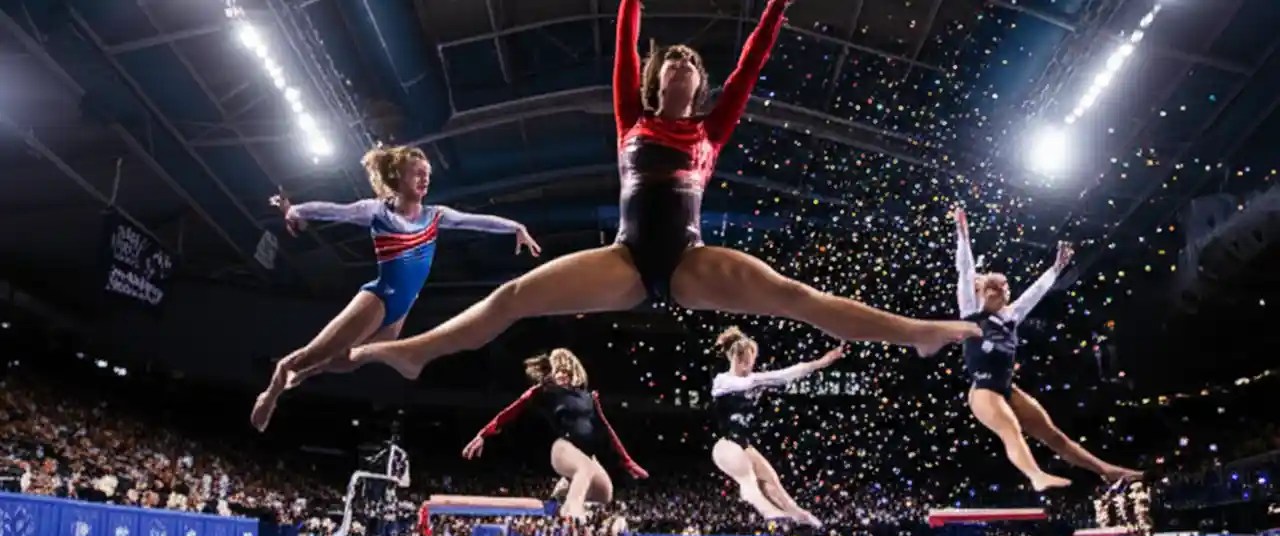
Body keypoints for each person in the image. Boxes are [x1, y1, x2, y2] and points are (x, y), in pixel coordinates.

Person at [339, 0, 978, 382]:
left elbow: (752, 60)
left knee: (794, 297)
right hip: (624, 258)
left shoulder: (710, 128)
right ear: (655, 76)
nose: (682, 63)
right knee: (512, 296)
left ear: (700, 86)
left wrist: (777, 6)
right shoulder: (631, 117)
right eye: (672, 59)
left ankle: (917, 331)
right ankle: (416, 353)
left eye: (694, 64)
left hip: (692, 258)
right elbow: (625, 32)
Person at [250, 145, 540, 431]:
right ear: (398, 177)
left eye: (427, 174)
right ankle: (273, 390)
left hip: (401, 310)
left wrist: (515, 227)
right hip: (379, 299)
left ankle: (303, 374)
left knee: (348, 362)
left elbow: (474, 221)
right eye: (417, 173)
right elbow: (333, 211)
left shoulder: (435, 215)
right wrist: (295, 211)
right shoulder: (376, 211)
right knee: (315, 354)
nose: (425, 179)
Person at [953, 206, 1141, 491]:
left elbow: (1035, 293)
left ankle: (1108, 470)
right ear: (981, 293)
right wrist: (963, 235)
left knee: (1055, 437)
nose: (1002, 292)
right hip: (983, 391)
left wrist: (1056, 268)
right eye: (993, 289)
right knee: (1010, 430)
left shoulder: (1011, 316)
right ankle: (1035, 475)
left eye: (1004, 290)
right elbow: (966, 269)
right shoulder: (970, 310)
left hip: (1006, 388)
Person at [460, 349, 648, 520]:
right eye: (558, 372)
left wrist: (627, 461)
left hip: (587, 457)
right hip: (563, 449)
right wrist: (483, 434)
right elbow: (512, 410)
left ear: (575, 373)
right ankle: (571, 510)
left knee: (604, 493)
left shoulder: (589, 398)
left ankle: (565, 491)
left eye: (566, 372)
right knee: (585, 469)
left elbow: (607, 429)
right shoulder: (546, 391)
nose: (562, 376)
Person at [711, 326, 841, 527]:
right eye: (742, 360)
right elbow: (743, 385)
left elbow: (788, 373)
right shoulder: (722, 381)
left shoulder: (754, 379)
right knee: (748, 479)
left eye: (750, 360)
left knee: (774, 484)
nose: (746, 365)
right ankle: (770, 513)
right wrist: (762, 380)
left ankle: (801, 517)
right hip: (725, 446)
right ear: (732, 358)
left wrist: (821, 362)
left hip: (744, 445)